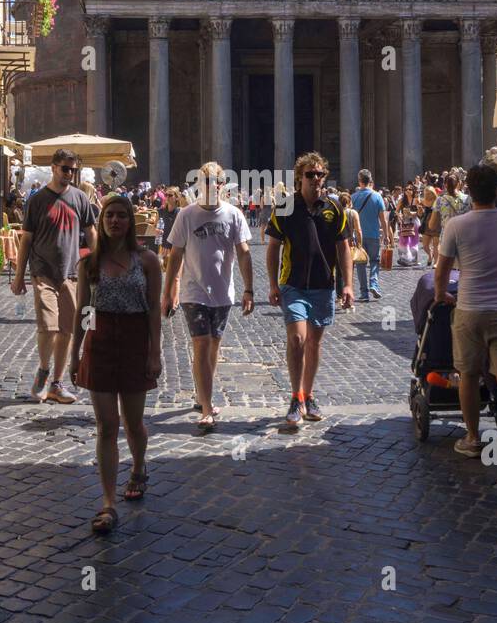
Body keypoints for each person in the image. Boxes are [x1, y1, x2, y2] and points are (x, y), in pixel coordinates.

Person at [70, 194, 162, 537]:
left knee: (133, 422)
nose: (115, 221)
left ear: (130, 222)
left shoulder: (148, 260)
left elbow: (154, 309)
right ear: (102, 220)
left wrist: (155, 352)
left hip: (136, 339)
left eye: (122, 216)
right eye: (110, 215)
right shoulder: (89, 263)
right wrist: (75, 353)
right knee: (106, 425)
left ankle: (138, 467)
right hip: (101, 339)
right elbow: (83, 310)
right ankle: (108, 502)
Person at [435, 162, 497, 481]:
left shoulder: (457, 225)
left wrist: (440, 294)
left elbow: (442, 269)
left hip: (470, 307)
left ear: (469, 191)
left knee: (468, 375)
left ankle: (473, 439)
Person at [161, 161, 254, 433]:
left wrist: (249, 288)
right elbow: (175, 255)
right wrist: (169, 292)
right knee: (201, 344)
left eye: (213, 182)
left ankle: (202, 393)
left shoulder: (234, 215)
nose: (208, 187)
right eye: (203, 182)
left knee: (213, 346)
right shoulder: (187, 215)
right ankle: (206, 407)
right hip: (194, 292)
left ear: (222, 185)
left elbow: (245, 253)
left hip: (223, 293)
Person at [267, 152, 353, 431]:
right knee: (297, 339)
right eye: (310, 174)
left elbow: (344, 247)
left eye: (320, 174)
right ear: (299, 178)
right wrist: (272, 284)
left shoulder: (335, 207)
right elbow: (273, 248)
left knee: (314, 343)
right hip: (293, 284)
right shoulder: (285, 206)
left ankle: (308, 394)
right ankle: (294, 398)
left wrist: (349, 284)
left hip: (323, 284)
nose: (316, 179)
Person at [12, 149, 97, 405]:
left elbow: (91, 231)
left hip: (71, 274)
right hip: (43, 272)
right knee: (48, 327)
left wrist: (98, 262)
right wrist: (19, 276)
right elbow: (26, 239)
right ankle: (43, 370)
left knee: (67, 330)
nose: (69, 174)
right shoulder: (37, 201)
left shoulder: (80, 198)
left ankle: (57, 384)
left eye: (73, 170)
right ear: (53, 168)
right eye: (65, 169)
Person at [350, 169, 389, 301]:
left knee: (360, 264)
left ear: (359, 181)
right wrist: (386, 235)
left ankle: (364, 293)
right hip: (373, 235)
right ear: (370, 180)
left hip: (358, 236)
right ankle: (374, 283)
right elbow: (383, 219)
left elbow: (350, 218)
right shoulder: (377, 196)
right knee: (374, 261)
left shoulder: (353, 197)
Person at [428, 173, 468, 245]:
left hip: (447, 238)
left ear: (445, 185)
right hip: (464, 237)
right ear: (459, 183)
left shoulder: (439, 200)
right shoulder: (468, 199)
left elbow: (431, 225)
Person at [396, 183, 422, 267]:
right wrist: (399, 215)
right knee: (404, 240)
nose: (408, 191)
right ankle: (405, 258)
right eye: (406, 189)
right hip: (405, 222)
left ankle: (414, 259)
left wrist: (412, 213)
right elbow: (396, 211)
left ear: (413, 191)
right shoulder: (401, 200)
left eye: (410, 189)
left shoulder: (416, 200)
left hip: (414, 222)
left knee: (414, 241)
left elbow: (420, 213)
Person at [419, 184, 439, 268]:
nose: (427, 194)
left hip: (436, 223)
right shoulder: (423, 201)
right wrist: (420, 210)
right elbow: (420, 214)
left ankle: (436, 262)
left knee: (436, 244)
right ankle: (430, 255)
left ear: (433, 192)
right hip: (426, 223)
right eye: (426, 192)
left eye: (429, 192)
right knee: (425, 245)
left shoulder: (438, 200)